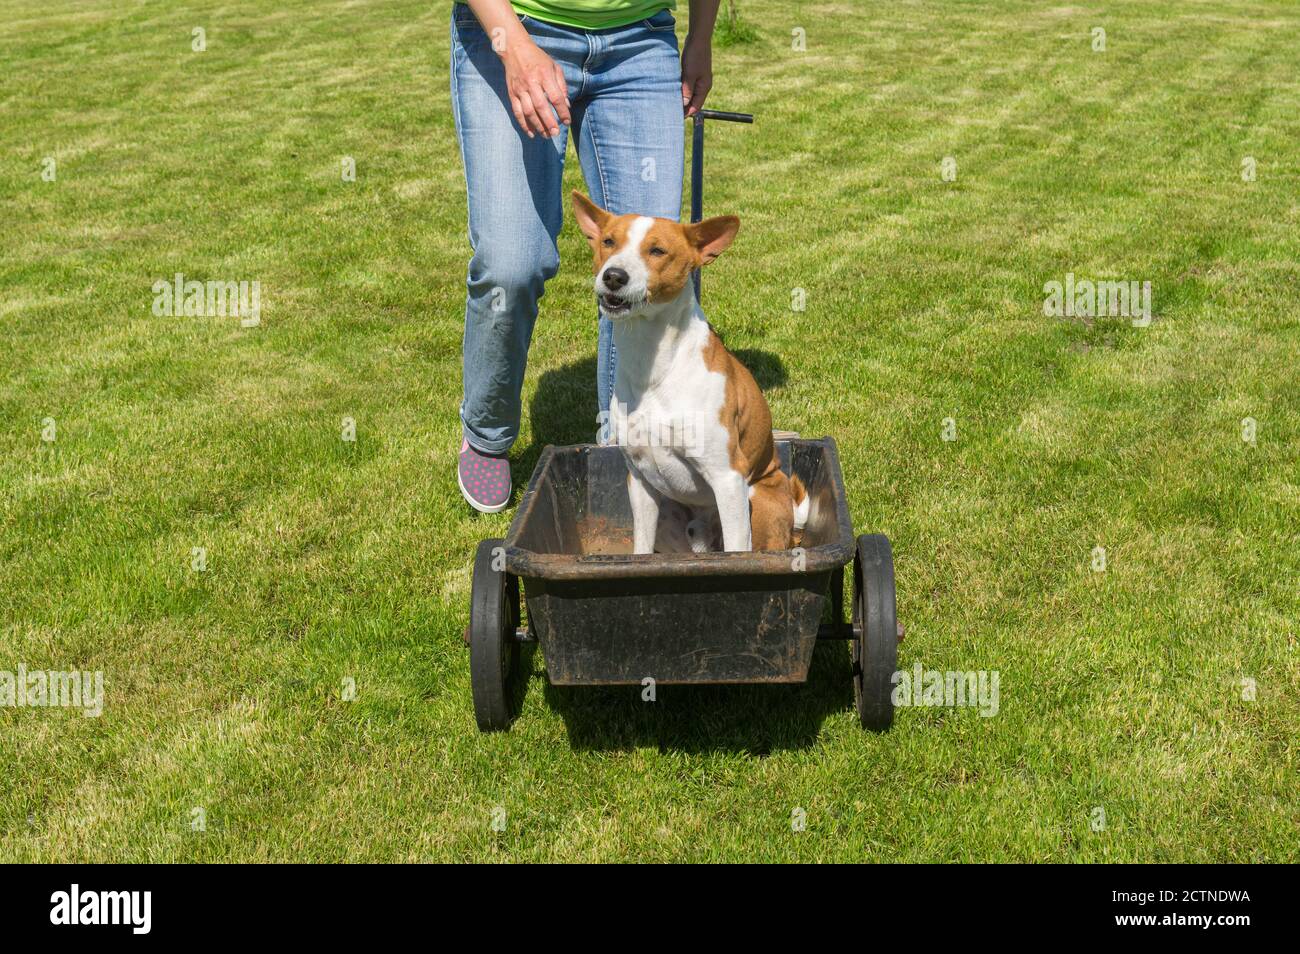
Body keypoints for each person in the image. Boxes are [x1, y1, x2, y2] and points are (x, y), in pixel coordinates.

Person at [450, 0, 719, 512]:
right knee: (513, 261)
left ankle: (626, 441)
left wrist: (701, 34)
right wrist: (513, 44)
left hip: (639, 44)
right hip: (512, 27)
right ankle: (486, 434)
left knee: (651, 268)